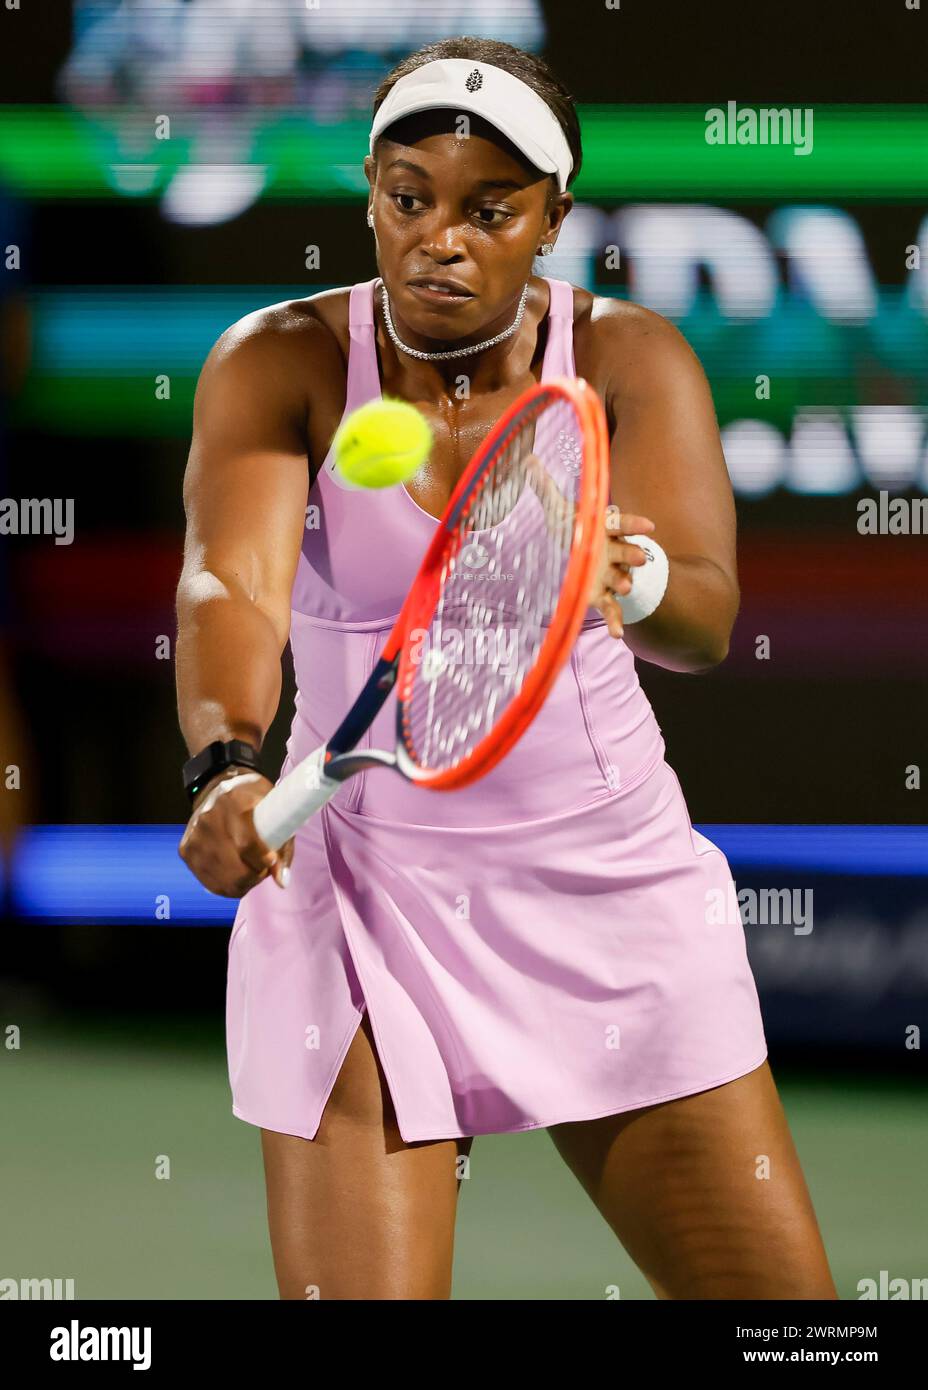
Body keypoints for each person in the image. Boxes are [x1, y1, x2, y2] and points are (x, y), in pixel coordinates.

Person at [176, 37, 836, 1300]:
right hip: (360, 888)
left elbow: (700, 617)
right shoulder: (280, 360)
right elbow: (229, 586)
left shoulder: (630, 357)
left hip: (609, 886)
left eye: (491, 210)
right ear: (369, 189)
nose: (441, 238)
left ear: (553, 216)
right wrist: (222, 764)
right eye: (409, 196)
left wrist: (623, 580)